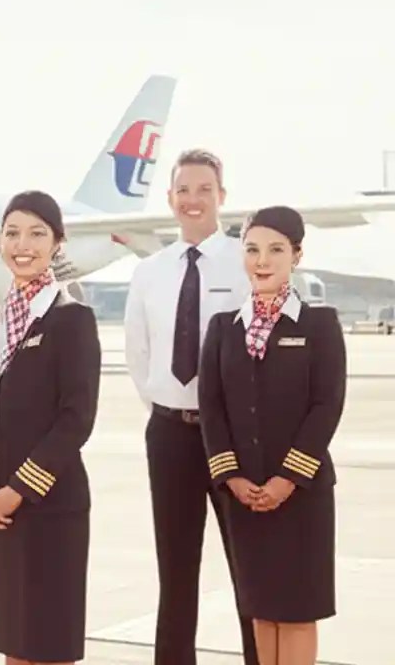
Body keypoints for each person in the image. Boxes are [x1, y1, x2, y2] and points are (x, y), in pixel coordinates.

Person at [123, 148, 258, 665]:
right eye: (184, 189)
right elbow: (139, 353)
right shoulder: (150, 271)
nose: (193, 199)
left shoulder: (246, 263)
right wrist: (170, 407)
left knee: (246, 566)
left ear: (222, 197)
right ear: (170, 197)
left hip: (232, 438)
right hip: (170, 434)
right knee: (175, 571)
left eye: (205, 189)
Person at [0, 191, 100, 665]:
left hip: (50, 507)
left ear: (58, 243)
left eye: (37, 233)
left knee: (50, 647)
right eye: (13, 233)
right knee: (14, 645)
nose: (23, 244)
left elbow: (75, 419)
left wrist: (17, 491)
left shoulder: (71, 319)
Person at [198, 206, 345, 665]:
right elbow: (212, 408)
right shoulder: (223, 328)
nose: (262, 260)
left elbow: (326, 406)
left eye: (276, 249)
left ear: (296, 255)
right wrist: (233, 479)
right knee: (261, 610)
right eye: (253, 250)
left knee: (298, 612)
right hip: (245, 496)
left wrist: (286, 480)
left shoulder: (319, 326)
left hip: (300, 495)